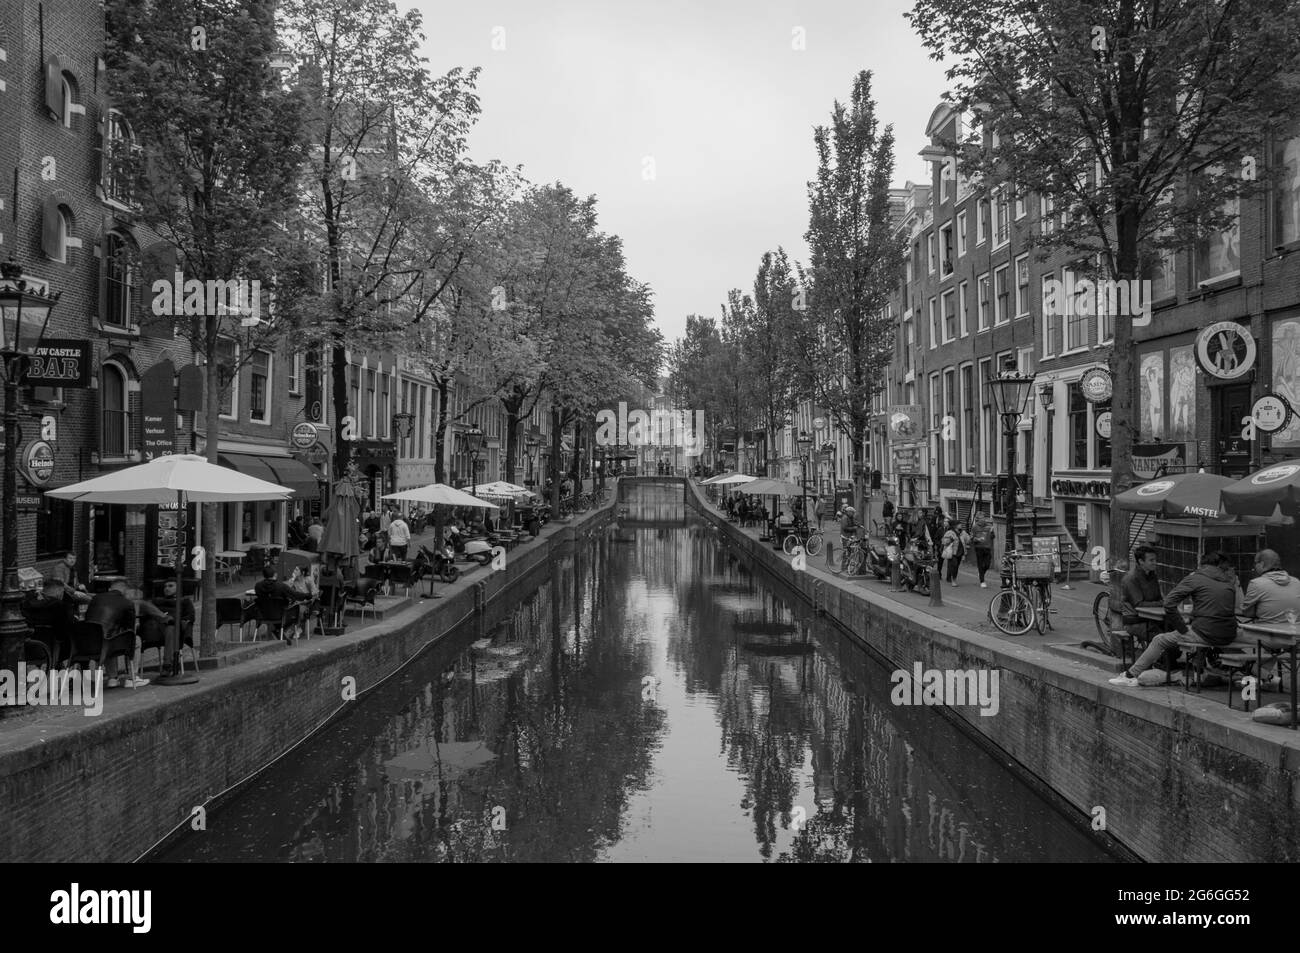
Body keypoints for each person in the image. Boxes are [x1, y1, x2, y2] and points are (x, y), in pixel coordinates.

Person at [1110, 550, 1240, 687]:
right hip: (1229, 632)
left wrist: (1182, 629)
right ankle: (1197, 671)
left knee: (1159, 640)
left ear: (1202, 565)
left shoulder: (1195, 578)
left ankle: (1130, 675)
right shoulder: (1228, 581)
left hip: (1205, 633)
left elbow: (1169, 603)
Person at [1238, 549, 1300, 687]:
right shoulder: (1296, 582)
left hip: (1269, 638)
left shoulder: (1257, 583)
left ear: (1262, 564)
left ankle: (1249, 671)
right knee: (1270, 650)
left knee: (1223, 636)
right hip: (1294, 638)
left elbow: (1247, 613)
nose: (1254, 567)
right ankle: (1264, 676)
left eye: (1256, 563)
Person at [86, 581, 166, 688]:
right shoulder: (127, 603)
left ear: (110, 589)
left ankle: (113, 678)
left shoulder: (96, 598)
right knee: (135, 639)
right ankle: (132, 678)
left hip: (89, 642)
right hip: (108, 643)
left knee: (108, 637)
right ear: (124, 590)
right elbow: (130, 628)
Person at [253, 565, 313, 641]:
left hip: (262, 615)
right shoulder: (281, 586)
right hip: (281, 615)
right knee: (296, 609)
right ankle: (279, 631)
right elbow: (295, 595)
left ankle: (277, 631)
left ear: (264, 575)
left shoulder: (257, 586)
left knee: (273, 608)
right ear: (275, 574)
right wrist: (307, 595)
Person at [970, 512, 995, 588]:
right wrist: (977, 539)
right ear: (977, 519)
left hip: (987, 547)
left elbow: (993, 537)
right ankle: (982, 581)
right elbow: (971, 538)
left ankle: (981, 573)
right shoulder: (974, 527)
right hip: (979, 547)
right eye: (981, 518)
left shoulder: (989, 527)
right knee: (980, 564)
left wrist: (992, 533)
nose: (983, 520)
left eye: (984, 518)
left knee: (987, 564)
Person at [940, 518, 964, 586]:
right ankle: (953, 580)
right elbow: (944, 541)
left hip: (960, 552)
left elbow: (967, 540)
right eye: (959, 524)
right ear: (955, 525)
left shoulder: (962, 532)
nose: (961, 525)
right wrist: (950, 539)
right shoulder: (950, 532)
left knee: (956, 567)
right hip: (952, 552)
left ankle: (953, 578)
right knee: (954, 565)